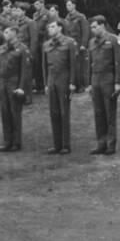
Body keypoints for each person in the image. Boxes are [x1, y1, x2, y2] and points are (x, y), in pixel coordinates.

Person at [42, 19, 77, 154]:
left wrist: (72, 82)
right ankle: (56, 144)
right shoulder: (46, 45)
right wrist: (46, 83)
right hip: (52, 78)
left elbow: (73, 64)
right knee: (54, 112)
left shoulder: (69, 42)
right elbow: (44, 66)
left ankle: (65, 145)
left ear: (60, 28)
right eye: (48, 27)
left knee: (64, 112)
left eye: (52, 26)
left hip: (64, 77)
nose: (49, 29)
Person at [87, 15, 120, 155]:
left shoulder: (113, 39)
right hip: (96, 79)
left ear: (102, 26)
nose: (93, 30)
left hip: (108, 79)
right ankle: (101, 143)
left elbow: (118, 62)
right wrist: (89, 83)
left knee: (109, 113)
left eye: (95, 27)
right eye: (91, 28)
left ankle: (111, 144)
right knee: (98, 113)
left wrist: (118, 82)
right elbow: (89, 64)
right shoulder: (91, 42)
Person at [0, 25, 28, 152]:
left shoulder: (22, 49)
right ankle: (7, 141)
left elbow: (24, 70)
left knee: (15, 113)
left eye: (7, 32)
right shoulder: (2, 48)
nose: (4, 34)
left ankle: (16, 142)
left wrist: (21, 87)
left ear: (14, 33)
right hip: (3, 83)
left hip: (14, 82)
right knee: (5, 113)